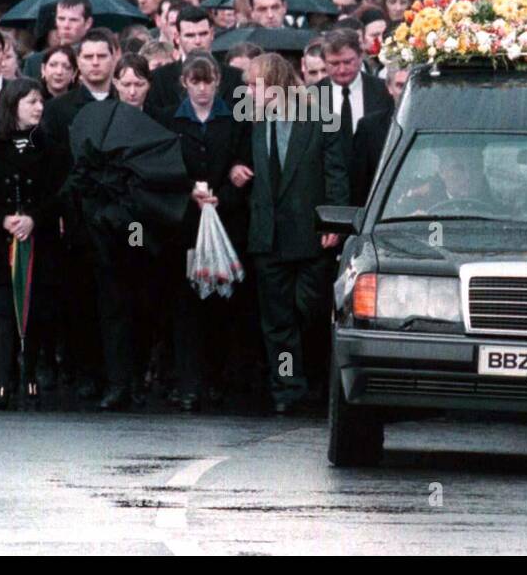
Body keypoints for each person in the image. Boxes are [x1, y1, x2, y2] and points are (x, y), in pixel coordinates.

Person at [243, 53, 349, 414]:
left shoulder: (320, 117)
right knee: (278, 321)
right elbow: (237, 159)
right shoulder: (253, 122)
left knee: (311, 312)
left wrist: (334, 223)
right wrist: (234, 171)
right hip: (267, 237)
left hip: (310, 235)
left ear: (273, 85)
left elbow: (336, 173)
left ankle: (318, 383)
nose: (248, 93)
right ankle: (288, 387)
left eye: (253, 86)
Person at [0, 77, 70, 410]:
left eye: (41, 101)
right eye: (31, 102)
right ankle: (0, 379)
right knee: (1, 312)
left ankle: (30, 374)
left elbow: (63, 192)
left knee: (35, 309)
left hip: (40, 239)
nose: (39, 107)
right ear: (13, 106)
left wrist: (34, 218)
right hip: (1, 240)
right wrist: (3, 219)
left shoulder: (52, 146)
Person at [168, 53, 252, 411]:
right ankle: (189, 384)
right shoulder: (172, 121)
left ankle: (219, 381)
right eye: (195, 82)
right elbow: (167, 168)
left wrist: (226, 194)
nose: (202, 89)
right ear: (184, 83)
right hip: (187, 225)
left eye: (208, 81)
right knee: (186, 306)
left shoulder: (233, 120)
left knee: (223, 302)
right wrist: (190, 190)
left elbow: (245, 162)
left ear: (218, 82)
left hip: (225, 220)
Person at [322, 29, 394, 158]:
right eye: (334, 63)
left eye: (348, 62)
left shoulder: (384, 91)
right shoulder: (312, 97)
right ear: (324, 62)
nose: (342, 70)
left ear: (360, 57)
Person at [350, 67, 410, 206]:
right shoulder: (369, 127)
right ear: (389, 87)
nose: (406, 92)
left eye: (410, 85)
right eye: (400, 86)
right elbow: (359, 183)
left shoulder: (435, 123)